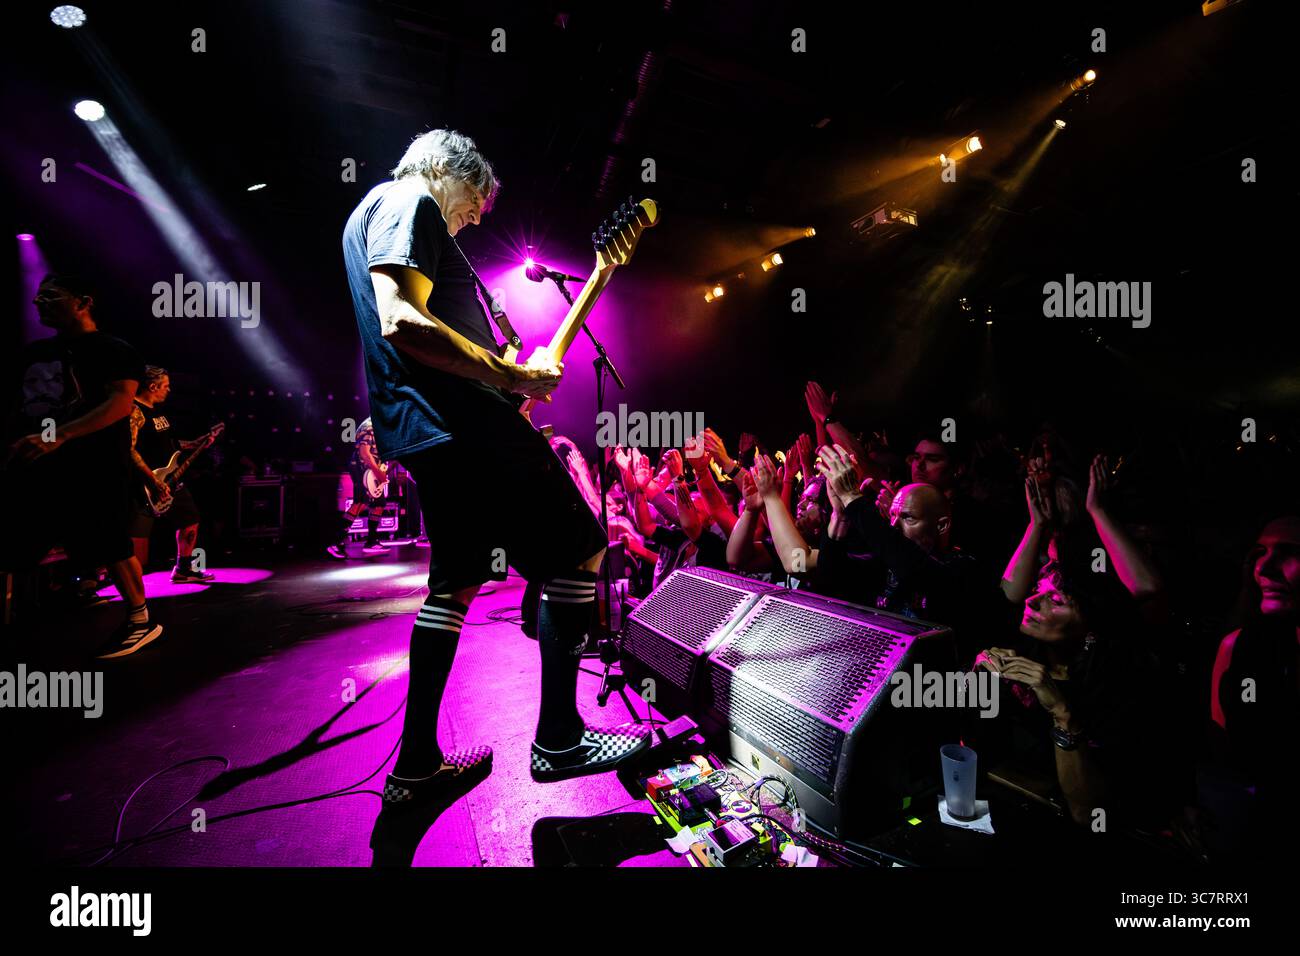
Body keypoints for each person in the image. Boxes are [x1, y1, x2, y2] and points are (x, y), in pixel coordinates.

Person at [342, 129, 650, 810]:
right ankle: (561, 738)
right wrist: (509, 371)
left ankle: (416, 764)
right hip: (460, 425)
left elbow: (421, 339)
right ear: (446, 171)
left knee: (453, 586)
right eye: (476, 197)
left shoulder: (371, 214)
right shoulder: (408, 200)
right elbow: (402, 322)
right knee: (581, 550)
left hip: (428, 428)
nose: (477, 215)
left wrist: (510, 380)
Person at [4, 273, 161, 658]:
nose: (39, 302)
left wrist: (60, 435)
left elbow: (119, 404)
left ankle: (140, 621)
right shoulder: (33, 354)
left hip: (94, 468)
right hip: (38, 469)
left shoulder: (113, 350)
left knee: (110, 544)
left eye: (50, 296)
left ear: (82, 302)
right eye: (37, 296)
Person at [1202, 516, 1299, 861]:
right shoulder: (1238, 645)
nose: (1266, 568)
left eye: (1288, 553)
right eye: (1260, 553)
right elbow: (1223, 750)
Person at [127, 366, 217, 582]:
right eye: (165, 386)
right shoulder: (134, 411)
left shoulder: (158, 410)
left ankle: (183, 569)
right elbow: (128, 450)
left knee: (190, 520)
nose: (169, 390)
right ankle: (127, 586)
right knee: (137, 543)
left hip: (172, 480)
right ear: (152, 386)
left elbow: (168, 445)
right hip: (146, 486)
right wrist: (152, 481)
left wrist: (194, 444)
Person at [326, 416, 389, 558]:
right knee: (361, 502)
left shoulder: (381, 426)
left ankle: (371, 541)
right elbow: (365, 454)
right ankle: (335, 542)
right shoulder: (369, 426)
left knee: (379, 503)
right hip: (361, 467)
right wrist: (379, 473)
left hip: (373, 468)